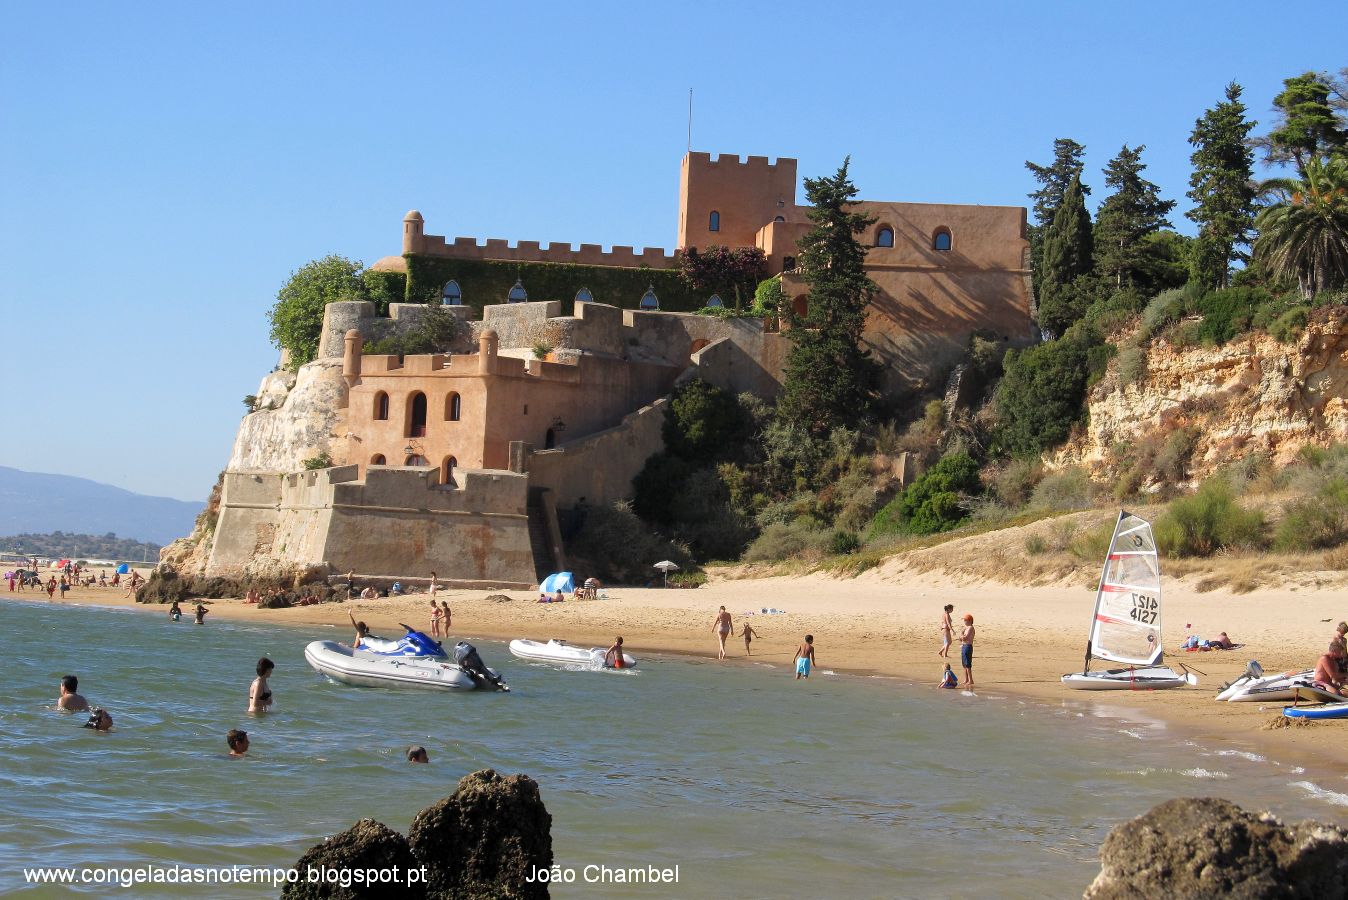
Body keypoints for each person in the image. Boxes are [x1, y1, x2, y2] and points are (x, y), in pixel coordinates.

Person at [959, 614, 976, 688]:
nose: (964, 621)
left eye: (965, 620)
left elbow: (965, 638)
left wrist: (962, 634)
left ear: (969, 620)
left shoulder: (970, 628)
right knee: (964, 664)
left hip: (967, 646)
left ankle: (970, 680)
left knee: (967, 664)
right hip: (964, 646)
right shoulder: (966, 628)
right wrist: (961, 635)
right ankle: (966, 679)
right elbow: (961, 638)